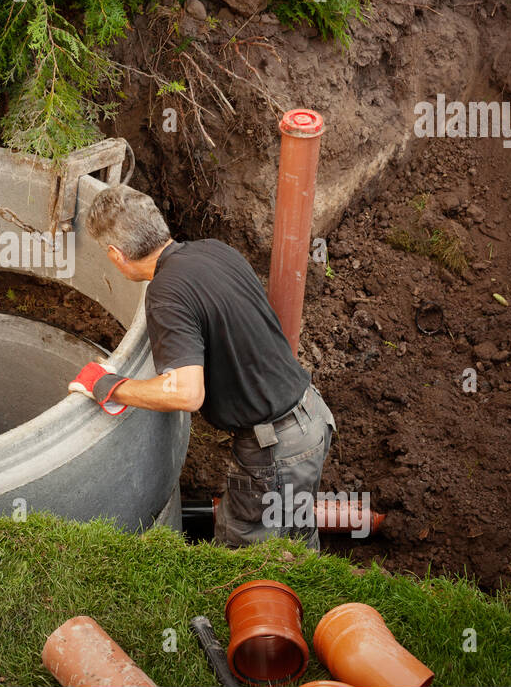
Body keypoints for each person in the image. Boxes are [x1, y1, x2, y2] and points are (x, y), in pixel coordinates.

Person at [67, 184, 335, 550]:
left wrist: (109, 386)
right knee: (297, 537)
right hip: (309, 415)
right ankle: (308, 597)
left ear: (116, 254)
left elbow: (187, 393)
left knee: (243, 552)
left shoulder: (165, 293)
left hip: (276, 448)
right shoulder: (213, 250)